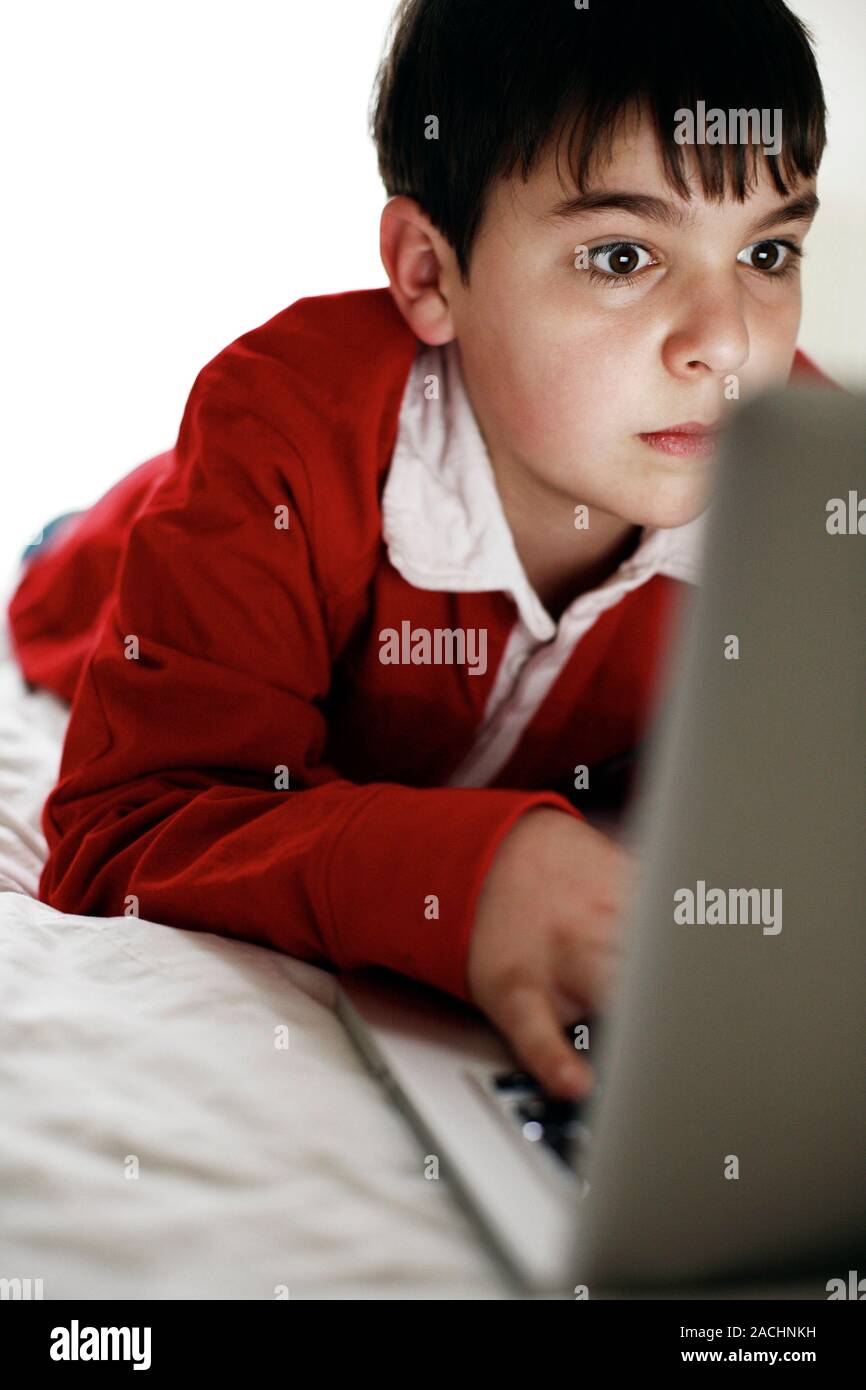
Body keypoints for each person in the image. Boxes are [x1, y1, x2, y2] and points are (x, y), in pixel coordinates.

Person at [6, 0, 832, 1100]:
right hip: (105, 566)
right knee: (90, 550)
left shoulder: (801, 476)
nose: (726, 341)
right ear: (430, 275)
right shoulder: (280, 425)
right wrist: (468, 877)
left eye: (766, 250)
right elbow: (120, 829)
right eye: (623, 254)